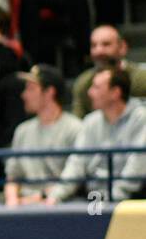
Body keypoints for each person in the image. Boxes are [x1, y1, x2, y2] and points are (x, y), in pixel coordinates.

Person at [46, 68, 146, 203]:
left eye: (96, 87)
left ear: (115, 92)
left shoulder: (141, 119)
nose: (90, 92)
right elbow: (77, 163)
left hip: (131, 199)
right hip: (95, 197)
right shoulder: (90, 121)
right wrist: (55, 196)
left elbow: (136, 168)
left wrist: (107, 201)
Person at [4, 65, 82, 205]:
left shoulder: (75, 128)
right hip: (24, 205)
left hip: (60, 206)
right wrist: (12, 200)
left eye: (31, 89)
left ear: (49, 92)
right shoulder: (22, 130)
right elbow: (12, 176)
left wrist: (45, 197)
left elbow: (74, 176)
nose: (24, 95)